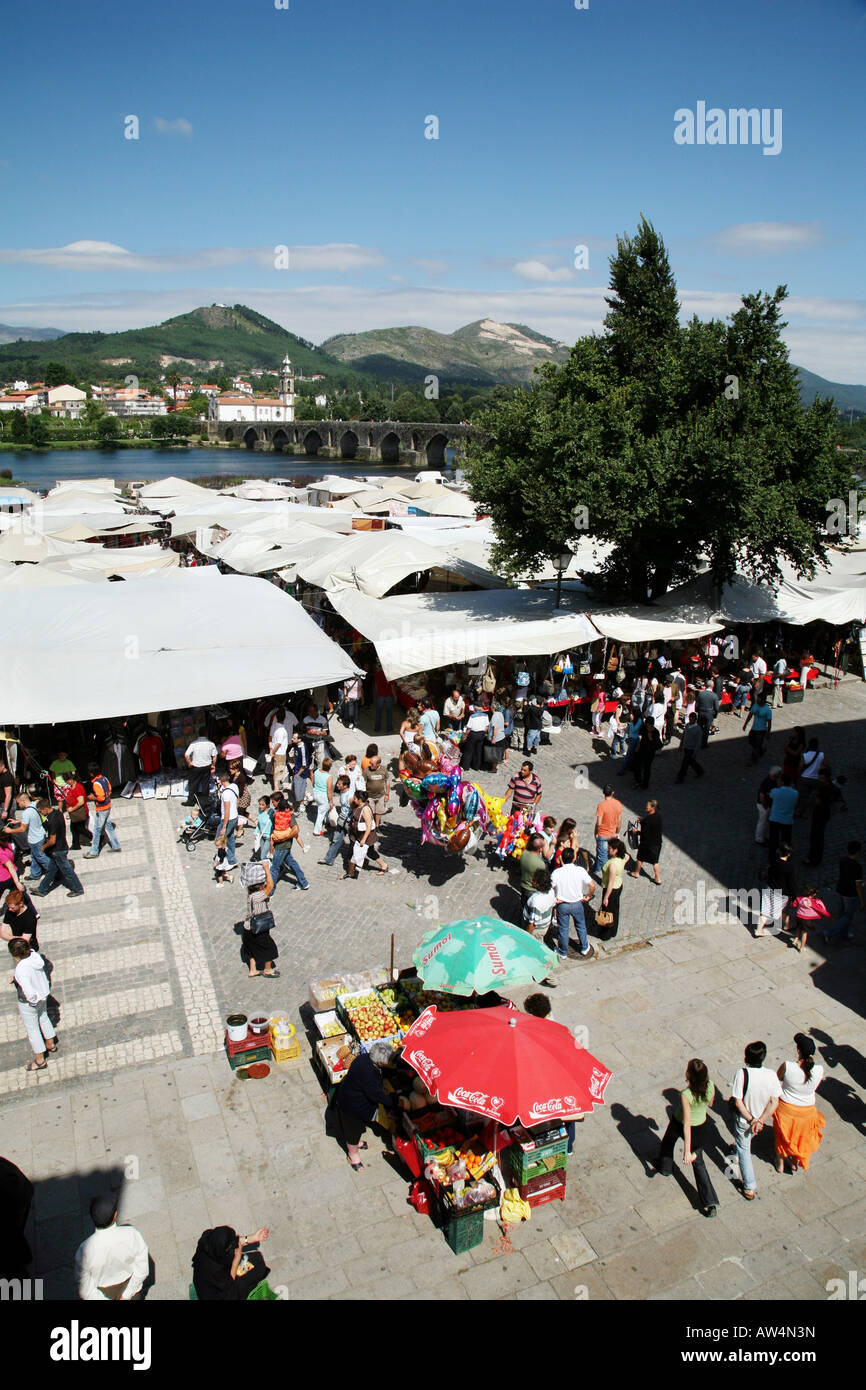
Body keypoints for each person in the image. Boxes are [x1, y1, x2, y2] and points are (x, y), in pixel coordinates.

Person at [655, 1058, 719, 1217]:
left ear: (689, 1075)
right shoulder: (710, 1085)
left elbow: (687, 1122)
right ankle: (709, 1202)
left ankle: (665, 1167)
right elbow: (710, 1104)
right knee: (699, 1164)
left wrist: (686, 1151)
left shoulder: (686, 1094)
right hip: (701, 1126)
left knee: (668, 1142)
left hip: (681, 1122)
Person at [729, 1042, 782, 1200]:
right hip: (759, 1119)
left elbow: (738, 1101)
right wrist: (761, 1121)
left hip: (745, 1120)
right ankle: (736, 1152)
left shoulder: (742, 1074)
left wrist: (752, 1120)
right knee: (744, 1141)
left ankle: (749, 1186)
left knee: (745, 1149)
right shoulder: (771, 1075)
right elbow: (774, 1102)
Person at [331, 1041, 395, 1168]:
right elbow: (375, 1094)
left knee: (357, 1129)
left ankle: (355, 1144)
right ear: (380, 1063)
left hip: (350, 1095)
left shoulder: (363, 1058)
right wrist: (393, 1101)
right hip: (352, 1106)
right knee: (352, 1132)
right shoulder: (368, 1073)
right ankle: (353, 1154)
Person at [74, 1193, 149, 1300]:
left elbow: (85, 1289)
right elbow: (142, 1271)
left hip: (100, 1291)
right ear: (115, 1216)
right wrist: (126, 1295)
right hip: (129, 1285)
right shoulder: (132, 1235)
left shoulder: (84, 1249)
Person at [773, 1034, 825, 1173]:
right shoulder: (819, 1070)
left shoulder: (788, 1066)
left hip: (786, 1109)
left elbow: (777, 1078)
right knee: (800, 1137)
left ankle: (780, 1162)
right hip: (807, 1112)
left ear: (798, 1051)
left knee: (782, 1135)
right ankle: (794, 1161)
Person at [8, 938, 56, 1072]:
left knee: (33, 1029)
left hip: (31, 1001)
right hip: (43, 994)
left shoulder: (21, 969)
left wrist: (32, 1001)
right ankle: (51, 1044)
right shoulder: (35, 957)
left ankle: (40, 1060)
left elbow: (28, 990)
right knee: (44, 1018)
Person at [191, 1225, 271, 1301]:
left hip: (209, 1280)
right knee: (257, 1268)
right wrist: (236, 1260)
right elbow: (228, 1283)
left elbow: (228, 1242)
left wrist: (252, 1238)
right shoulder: (214, 1270)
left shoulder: (207, 1241)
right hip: (219, 1294)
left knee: (255, 1258)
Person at [550, 848, 595, 961]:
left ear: (561, 859)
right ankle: (585, 947)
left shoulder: (557, 872)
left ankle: (563, 951)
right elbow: (592, 885)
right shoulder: (580, 870)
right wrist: (589, 895)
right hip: (577, 904)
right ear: (574, 858)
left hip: (563, 904)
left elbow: (549, 887)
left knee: (563, 929)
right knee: (581, 926)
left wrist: (554, 899)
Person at [34, 798, 84, 898]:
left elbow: (52, 840)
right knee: (51, 870)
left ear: (45, 809)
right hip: (60, 847)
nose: (40, 813)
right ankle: (42, 889)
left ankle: (78, 889)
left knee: (68, 871)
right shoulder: (57, 813)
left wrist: (43, 847)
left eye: (40, 811)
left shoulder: (52, 821)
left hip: (58, 850)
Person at [342, 790, 394, 879]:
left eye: (355, 798)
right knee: (356, 851)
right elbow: (350, 802)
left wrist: (363, 839)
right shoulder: (357, 804)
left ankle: (352, 872)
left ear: (360, 800)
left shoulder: (365, 809)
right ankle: (351, 871)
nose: (353, 799)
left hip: (364, 836)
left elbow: (369, 826)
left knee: (369, 852)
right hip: (355, 834)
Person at [242, 860, 278, 978]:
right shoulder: (258, 896)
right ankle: (267, 970)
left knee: (251, 949)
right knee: (270, 948)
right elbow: (271, 886)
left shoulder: (251, 895)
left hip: (248, 928)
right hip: (258, 929)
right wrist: (266, 869)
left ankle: (253, 970)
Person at [823, 840, 864, 945]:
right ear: (858, 852)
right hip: (850, 894)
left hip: (840, 889)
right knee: (847, 916)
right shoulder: (858, 867)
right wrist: (862, 901)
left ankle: (844, 933)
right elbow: (858, 886)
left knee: (842, 914)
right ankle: (829, 932)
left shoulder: (843, 860)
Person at [268, 794, 310, 894]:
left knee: (274, 868)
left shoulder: (282, 815)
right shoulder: (284, 814)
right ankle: (304, 883)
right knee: (291, 863)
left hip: (281, 845)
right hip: (285, 845)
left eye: (273, 802)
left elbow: (296, 830)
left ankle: (270, 891)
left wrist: (282, 837)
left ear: (278, 802)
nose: (272, 804)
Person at [7, 794, 52, 880]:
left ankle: (55, 871)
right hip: (40, 834)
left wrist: (10, 831)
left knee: (40, 856)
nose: (18, 805)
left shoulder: (26, 812)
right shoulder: (34, 805)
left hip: (35, 838)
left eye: (18, 803)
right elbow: (28, 819)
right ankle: (35, 874)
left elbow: (22, 829)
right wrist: (16, 821)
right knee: (34, 856)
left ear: (23, 801)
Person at [756, 843, 795, 936]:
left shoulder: (773, 861)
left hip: (769, 888)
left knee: (766, 910)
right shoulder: (789, 867)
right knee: (783, 909)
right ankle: (786, 926)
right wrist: (794, 895)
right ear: (789, 854)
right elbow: (791, 883)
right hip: (781, 893)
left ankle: (759, 929)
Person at [83, 765, 121, 859]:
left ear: (91, 773)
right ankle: (116, 846)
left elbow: (101, 798)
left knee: (97, 830)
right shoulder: (104, 778)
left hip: (102, 809)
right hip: (108, 806)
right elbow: (110, 790)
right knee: (108, 826)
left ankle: (94, 852)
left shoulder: (96, 783)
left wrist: (93, 797)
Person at [803, 768, 833, 866]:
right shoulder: (826, 786)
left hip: (821, 815)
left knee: (816, 838)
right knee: (816, 837)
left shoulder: (825, 789)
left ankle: (814, 859)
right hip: (821, 814)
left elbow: (818, 802)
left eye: (822, 778)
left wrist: (815, 795)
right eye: (819, 778)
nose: (820, 780)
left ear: (827, 778)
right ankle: (814, 857)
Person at [787, 885, 831, 953]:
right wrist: (829, 915)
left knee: (799, 927)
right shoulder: (813, 902)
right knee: (804, 933)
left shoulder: (800, 898)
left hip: (798, 917)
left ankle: (796, 939)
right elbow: (821, 910)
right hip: (806, 920)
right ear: (813, 894)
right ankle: (802, 948)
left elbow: (794, 904)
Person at [322, 774, 353, 868]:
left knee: (353, 842)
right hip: (342, 819)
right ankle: (329, 859)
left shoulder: (350, 796)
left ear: (345, 786)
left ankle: (351, 862)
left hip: (348, 821)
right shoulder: (342, 792)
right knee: (336, 839)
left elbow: (354, 809)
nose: (337, 785)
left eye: (339, 784)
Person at [630, 800, 663, 886]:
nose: (646, 807)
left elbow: (645, 834)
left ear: (652, 807)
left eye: (647, 806)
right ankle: (658, 878)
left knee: (640, 857)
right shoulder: (658, 816)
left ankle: (636, 873)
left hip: (647, 844)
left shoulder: (648, 819)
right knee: (655, 861)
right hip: (657, 843)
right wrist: (642, 821)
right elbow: (651, 826)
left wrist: (636, 832)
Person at [599, 838, 626, 940]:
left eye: (610, 848)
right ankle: (613, 930)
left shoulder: (612, 865)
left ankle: (606, 934)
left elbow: (610, 882)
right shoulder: (622, 858)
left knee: (608, 912)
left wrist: (606, 897)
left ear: (616, 850)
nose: (608, 850)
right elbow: (627, 856)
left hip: (611, 890)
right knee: (615, 910)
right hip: (618, 885)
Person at [767, 772, 798, 859]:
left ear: (782, 782)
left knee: (773, 839)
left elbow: (770, 795)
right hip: (787, 820)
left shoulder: (775, 792)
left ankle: (772, 857)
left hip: (775, 819)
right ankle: (784, 856)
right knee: (786, 840)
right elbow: (795, 805)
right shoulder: (795, 793)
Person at [594, 785, 623, 878]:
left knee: (603, 857)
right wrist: (617, 832)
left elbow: (599, 823)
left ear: (603, 793)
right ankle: (597, 868)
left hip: (603, 834)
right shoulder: (618, 804)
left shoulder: (601, 805)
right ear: (613, 793)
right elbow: (619, 822)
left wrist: (596, 833)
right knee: (605, 854)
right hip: (613, 833)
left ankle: (605, 877)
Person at [183, 729, 217, 808]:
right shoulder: (211, 744)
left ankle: (191, 801)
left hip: (196, 767)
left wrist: (189, 763)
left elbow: (186, 755)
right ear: (206, 734)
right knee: (205, 784)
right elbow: (215, 756)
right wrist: (213, 764)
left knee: (193, 784)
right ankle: (204, 802)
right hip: (207, 766)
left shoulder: (194, 744)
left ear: (198, 734)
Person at [518, 834, 548, 917]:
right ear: (540, 849)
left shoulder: (524, 853)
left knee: (523, 905)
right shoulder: (540, 863)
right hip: (532, 889)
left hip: (524, 885)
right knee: (531, 910)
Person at [522, 866, 556, 938]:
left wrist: (525, 936)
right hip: (545, 925)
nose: (531, 881)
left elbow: (532, 924)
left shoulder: (536, 901)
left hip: (536, 930)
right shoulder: (551, 891)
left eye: (534, 880)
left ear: (538, 884)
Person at [62, 775, 91, 851]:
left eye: (66, 780)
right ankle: (76, 845)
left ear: (70, 779)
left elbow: (81, 802)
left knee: (80, 829)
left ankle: (96, 838)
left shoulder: (77, 788)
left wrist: (72, 809)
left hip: (79, 813)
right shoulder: (73, 787)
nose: (66, 782)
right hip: (75, 814)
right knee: (74, 828)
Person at [217, 772, 239, 871]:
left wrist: (224, 826)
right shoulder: (234, 786)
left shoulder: (226, 794)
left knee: (220, 839)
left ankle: (230, 859)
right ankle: (230, 857)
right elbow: (237, 799)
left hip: (228, 819)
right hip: (234, 816)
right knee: (230, 837)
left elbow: (227, 810)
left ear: (221, 781)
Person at [754, 766, 781, 846]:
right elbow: (761, 796)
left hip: (766, 805)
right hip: (764, 805)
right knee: (762, 822)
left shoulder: (771, 780)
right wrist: (765, 806)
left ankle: (763, 836)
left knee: (764, 822)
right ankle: (759, 839)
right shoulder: (768, 782)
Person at [743, 691, 772, 765]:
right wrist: (745, 724)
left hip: (761, 730)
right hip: (754, 728)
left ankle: (752, 760)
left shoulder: (767, 709)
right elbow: (750, 715)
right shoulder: (755, 705)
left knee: (756, 745)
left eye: (759, 699)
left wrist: (768, 732)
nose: (757, 700)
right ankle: (760, 750)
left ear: (763, 700)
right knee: (751, 741)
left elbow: (769, 722)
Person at [674, 713, 705, 783]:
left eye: (692, 719)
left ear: (695, 720)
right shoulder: (687, 725)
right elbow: (684, 735)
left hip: (691, 749)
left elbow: (698, 743)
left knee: (685, 763)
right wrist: (681, 745)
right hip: (686, 747)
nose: (690, 720)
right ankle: (700, 771)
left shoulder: (698, 729)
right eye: (690, 719)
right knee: (691, 761)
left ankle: (681, 777)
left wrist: (695, 752)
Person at [362, 754, 390, 830]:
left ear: (378, 764)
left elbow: (387, 781)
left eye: (372, 764)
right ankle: (370, 825)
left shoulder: (383, 770)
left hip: (381, 795)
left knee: (379, 812)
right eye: (370, 763)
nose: (370, 764)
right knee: (371, 812)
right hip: (370, 796)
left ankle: (377, 826)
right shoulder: (367, 771)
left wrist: (387, 794)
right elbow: (363, 782)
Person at [462, 701, 490, 772]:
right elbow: (487, 726)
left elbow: (469, 728)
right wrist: (483, 733)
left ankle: (466, 766)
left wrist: (465, 735)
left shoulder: (472, 716)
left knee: (469, 751)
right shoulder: (486, 715)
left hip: (473, 734)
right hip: (481, 734)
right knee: (478, 751)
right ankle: (476, 766)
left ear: (474, 708)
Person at [309, 757, 334, 837]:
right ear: (330, 767)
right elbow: (329, 791)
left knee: (323, 809)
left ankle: (327, 821)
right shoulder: (329, 777)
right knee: (321, 813)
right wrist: (331, 801)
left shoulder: (316, 772)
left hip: (316, 793)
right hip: (323, 796)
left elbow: (313, 783)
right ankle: (317, 831)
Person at [635, 718, 661, 790]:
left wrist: (650, 738)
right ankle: (638, 781)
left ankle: (645, 784)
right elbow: (642, 738)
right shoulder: (645, 729)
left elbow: (656, 744)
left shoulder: (655, 732)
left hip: (649, 753)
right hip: (642, 750)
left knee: (647, 768)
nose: (647, 726)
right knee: (638, 767)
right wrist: (638, 746)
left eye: (648, 724)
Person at [288, 729, 309, 809]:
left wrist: (298, 774)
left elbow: (304, 765)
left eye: (294, 738)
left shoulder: (302, 749)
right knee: (295, 788)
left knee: (299, 790)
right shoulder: (297, 746)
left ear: (299, 739)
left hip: (300, 773)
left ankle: (302, 805)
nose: (292, 739)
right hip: (296, 770)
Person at [695, 680, 719, 748]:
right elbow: (716, 708)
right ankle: (704, 743)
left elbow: (697, 704)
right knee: (706, 729)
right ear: (712, 686)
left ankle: (697, 741)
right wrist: (715, 715)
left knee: (699, 727)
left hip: (701, 712)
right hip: (709, 713)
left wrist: (697, 711)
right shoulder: (714, 695)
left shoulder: (701, 694)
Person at [269, 713, 289, 794]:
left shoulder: (273, 726)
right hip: (280, 752)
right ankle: (276, 787)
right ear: (284, 718)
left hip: (275, 751)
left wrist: (271, 749)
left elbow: (270, 738)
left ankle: (276, 785)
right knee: (279, 770)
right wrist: (273, 751)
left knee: (275, 768)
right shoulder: (282, 730)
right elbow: (279, 743)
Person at [0, 830, 22, 895]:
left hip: (4, 878)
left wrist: (17, 883)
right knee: (16, 893)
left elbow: (10, 867)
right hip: (14, 873)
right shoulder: (9, 846)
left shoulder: (1, 853)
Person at [373, 667, 395, 734]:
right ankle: (389, 729)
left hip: (380, 695)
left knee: (378, 712)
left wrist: (378, 692)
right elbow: (392, 687)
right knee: (389, 713)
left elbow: (376, 685)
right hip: (388, 695)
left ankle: (377, 728)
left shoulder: (377, 674)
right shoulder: (390, 674)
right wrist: (395, 696)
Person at [252, 795, 273, 862]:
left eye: (263, 805)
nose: (260, 806)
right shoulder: (260, 811)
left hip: (269, 838)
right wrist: (256, 832)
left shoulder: (271, 813)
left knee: (263, 856)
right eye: (260, 804)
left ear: (267, 805)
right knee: (263, 854)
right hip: (262, 836)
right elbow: (259, 823)